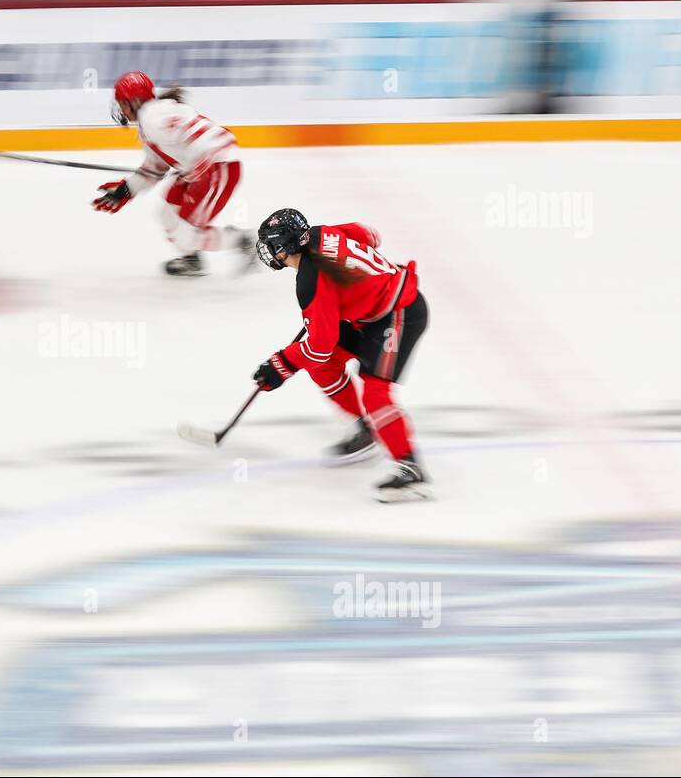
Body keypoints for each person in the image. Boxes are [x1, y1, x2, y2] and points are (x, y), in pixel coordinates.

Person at [251, 208, 431, 501]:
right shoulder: (321, 233)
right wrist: (360, 278)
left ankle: (411, 470)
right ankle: (367, 429)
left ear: (284, 248)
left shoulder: (311, 282)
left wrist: (282, 364)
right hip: (370, 315)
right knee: (322, 367)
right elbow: (370, 234)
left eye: (271, 245)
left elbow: (320, 347)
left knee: (375, 391)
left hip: (400, 313)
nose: (268, 252)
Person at [92, 71, 251, 277]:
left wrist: (202, 168)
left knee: (187, 234)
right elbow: (155, 168)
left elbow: (207, 136)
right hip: (202, 168)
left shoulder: (153, 118)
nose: (120, 109)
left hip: (219, 166)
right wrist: (125, 190)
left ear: (135, 101)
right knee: (166, 214)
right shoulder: (151, 120)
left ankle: (243, 243)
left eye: (122, 102)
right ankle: (191, 259)